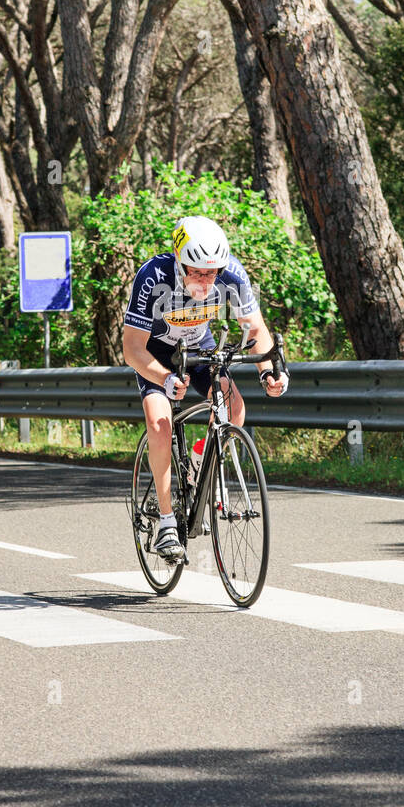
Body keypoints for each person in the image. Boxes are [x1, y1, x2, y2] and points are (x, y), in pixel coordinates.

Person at [123, 216, 289, 561]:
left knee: (235, 408)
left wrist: (269, 371)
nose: (205, 279)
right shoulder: (153, 276)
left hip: (199, 347)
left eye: (211, 273)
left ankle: (199, 464)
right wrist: (165, 378)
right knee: (160, 423)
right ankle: (167, 523)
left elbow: (255, 329)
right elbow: (131, 348)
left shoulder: (231, 273)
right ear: (178, 259)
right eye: (196, 272)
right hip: (155, 353)